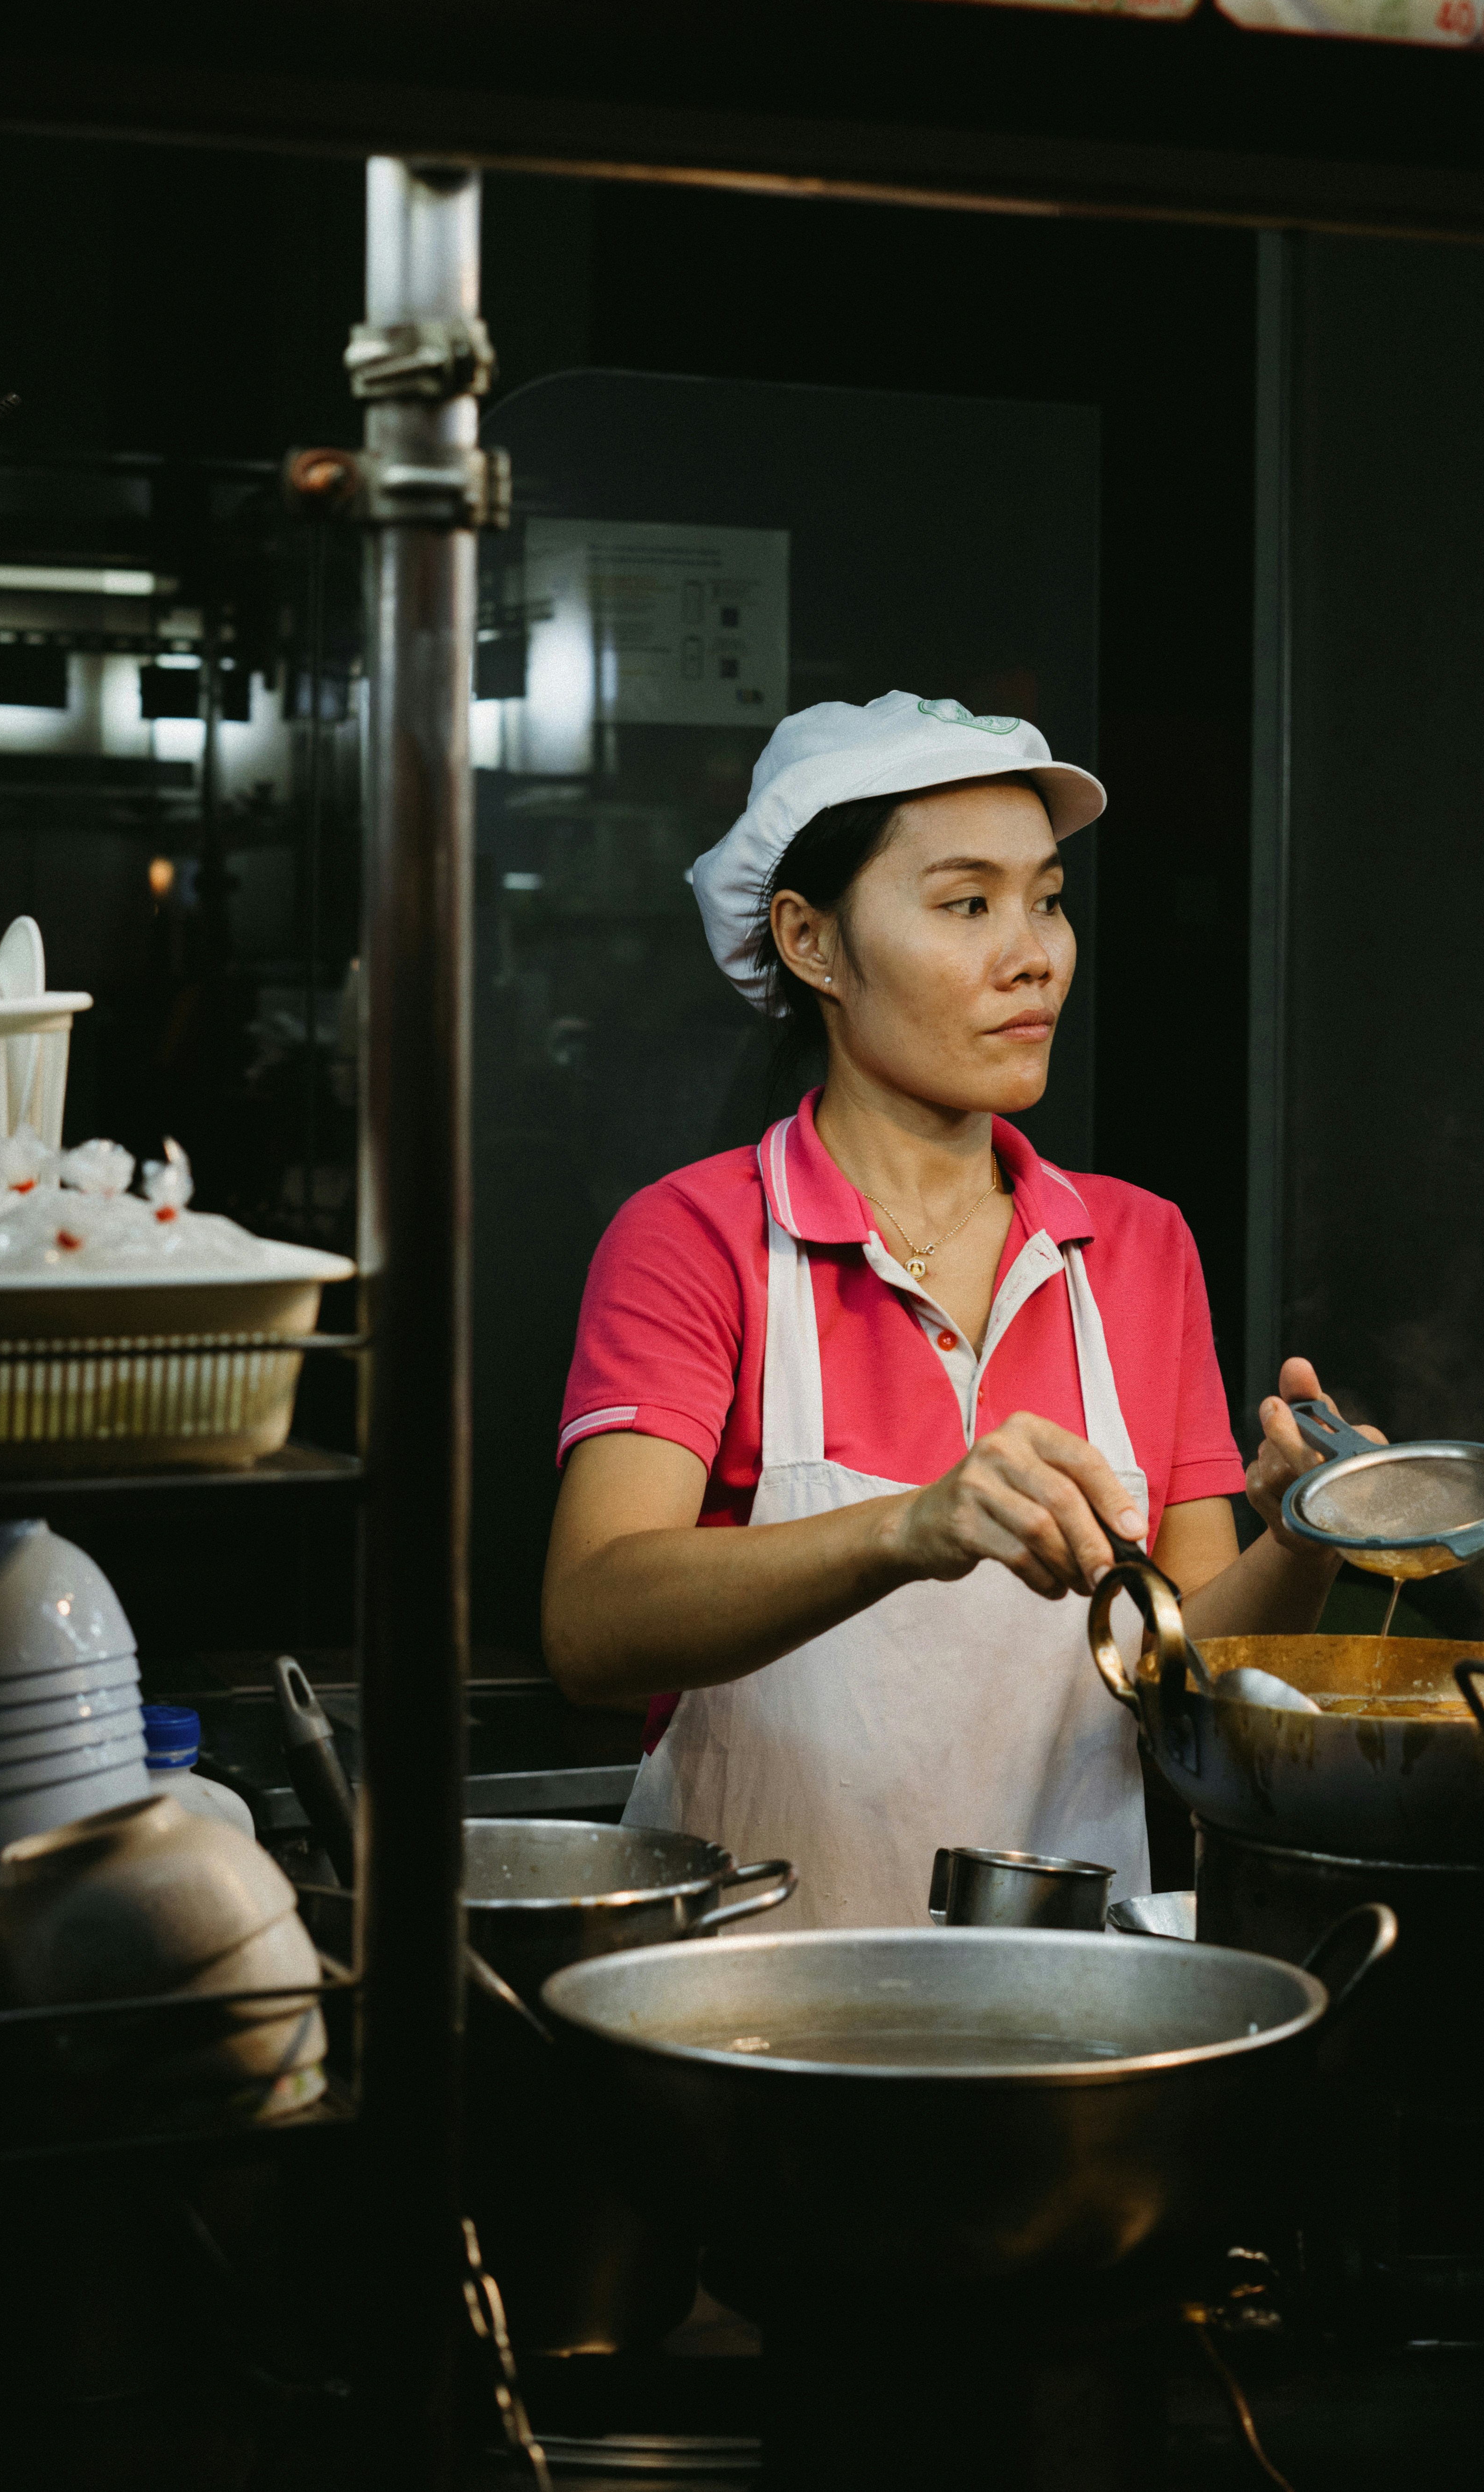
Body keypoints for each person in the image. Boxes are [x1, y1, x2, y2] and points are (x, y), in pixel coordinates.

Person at [542, 691, 1366, 1929]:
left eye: (1045, 897)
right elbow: (592, 1622)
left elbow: (1181, 1686)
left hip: (1064, 2005)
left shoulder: (1136, 1247)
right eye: (966, 903)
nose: (1033, 951)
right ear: (812, 942)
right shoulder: (698, 1239)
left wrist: (1302, 1535)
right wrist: (908, 1527)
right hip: (745, 2001)